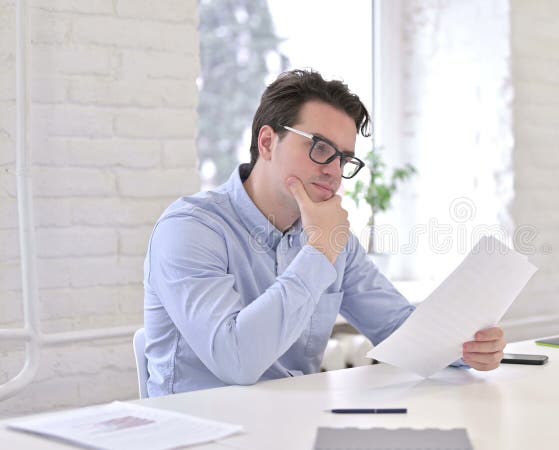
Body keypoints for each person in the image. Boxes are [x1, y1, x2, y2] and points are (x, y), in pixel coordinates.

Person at [143, 69, 507, 397]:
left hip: (294, 427)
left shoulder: (331, 237)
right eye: (320, 148)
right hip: (203, 432)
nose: (334, 170)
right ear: (267, 142)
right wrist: (317, 253)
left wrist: (464, 347)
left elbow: (400, 329)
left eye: (344, 159)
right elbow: (236, 361)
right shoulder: (190, 229)